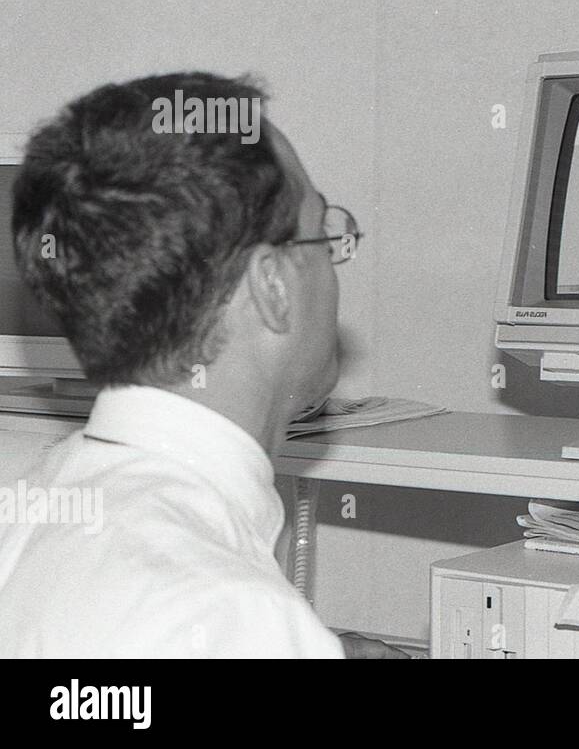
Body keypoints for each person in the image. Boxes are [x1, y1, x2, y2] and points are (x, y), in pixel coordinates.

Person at [0, 73, 385, 657]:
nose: (335, 261)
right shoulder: (238, 619)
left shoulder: (26, 520)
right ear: (272, 287)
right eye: (321, 232)